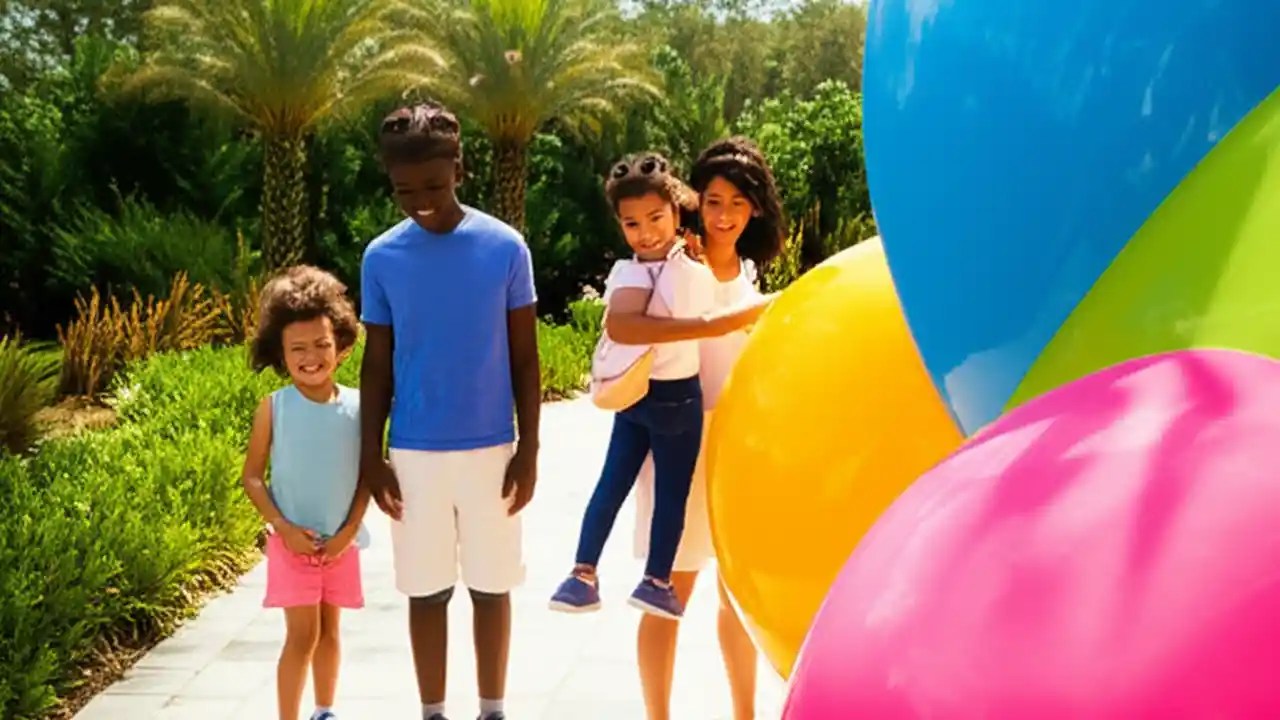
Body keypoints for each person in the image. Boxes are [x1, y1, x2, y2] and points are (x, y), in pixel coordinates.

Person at [358, 101, 541, 720]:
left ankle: (492, 710)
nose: (421, 201)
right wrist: (371, 459)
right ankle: (432, 713)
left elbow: (525, 360)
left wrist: (530, 450)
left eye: (433, 185)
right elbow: (376, 365)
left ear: (459, 168)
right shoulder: (381, 258)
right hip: (413, 456)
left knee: (492, 588)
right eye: (405, 191)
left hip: (493, 451)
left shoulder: (506, 247)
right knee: (426, 591)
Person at [548, 152, 771, 620]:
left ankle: (588, 573)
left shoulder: (663, 264)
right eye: (632, 224)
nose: (645, 232)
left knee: (623, 484)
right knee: (657, 491)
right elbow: (632, 326)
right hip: (672, 397)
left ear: (675, 212)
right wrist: (747, 313)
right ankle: (643, 579)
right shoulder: (659, 269)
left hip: (647, 397)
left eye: (655, 218)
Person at [631, 138, 786, 720]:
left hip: (738, 445)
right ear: (695, 201)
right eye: (714, 200)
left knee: (735, 593)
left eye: (738, 204)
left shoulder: (749, 272)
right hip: (677, 440)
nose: (724, 216)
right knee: (668, 592)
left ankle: (745, 714)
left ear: (755, 211)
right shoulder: (672, 263)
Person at [241, 265, 372, 720]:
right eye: (298, 349)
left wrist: (349, 531)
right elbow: (253, 476)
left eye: (322, 344)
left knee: (331, 631)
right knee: (302, 636)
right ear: (280, 353)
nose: (311, 356)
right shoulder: (274, 408)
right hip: (291, 544)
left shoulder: (359, 406)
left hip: (342, 543)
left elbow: (367, 476)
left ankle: (325, 710)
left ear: (341, 346)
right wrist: (282, 527)